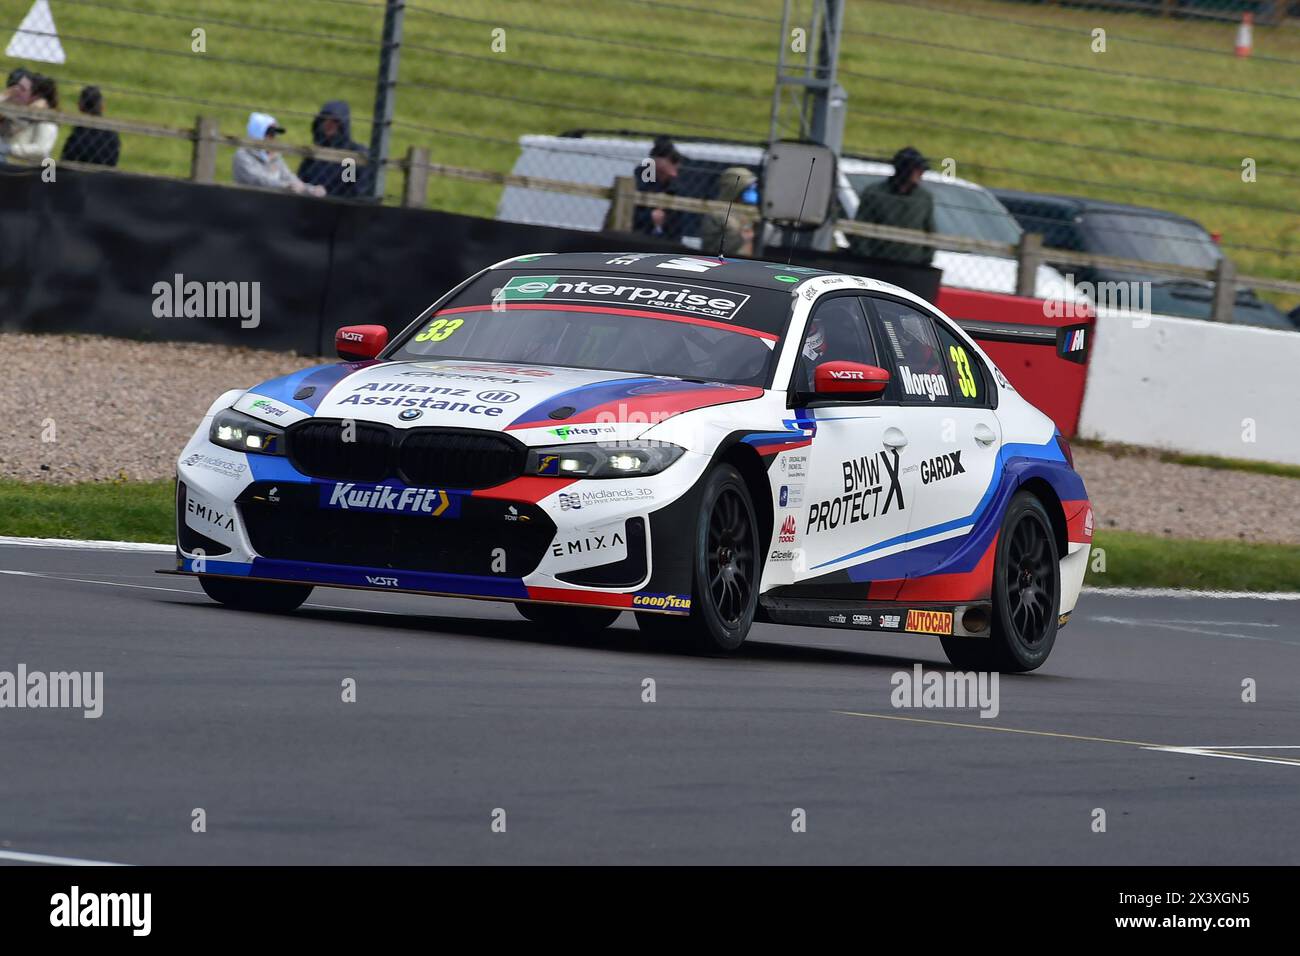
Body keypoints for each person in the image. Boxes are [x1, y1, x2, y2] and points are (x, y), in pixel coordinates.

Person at [850, 146, 935, 266]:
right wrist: (866, 260)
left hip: (911, 267)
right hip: (876, 264)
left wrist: (924, 262)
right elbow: (860, 230)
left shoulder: (924, 198)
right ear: (904, 169)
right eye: (917, 169)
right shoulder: (875, 193)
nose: (921, 173)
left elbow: (930, 233)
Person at [232, 112, 325, 196]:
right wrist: (286, 186)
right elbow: (259, 180)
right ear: (257, 133)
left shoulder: (274, 156)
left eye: (275, 134)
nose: (273, 137)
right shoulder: (242, 156)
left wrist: (310, 189)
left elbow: (288, 177)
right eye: (270, 133)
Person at [297, 100, 370, 198]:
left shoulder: (350, 155)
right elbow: (302, 178)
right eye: (325, 119)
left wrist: (326, 192)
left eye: (335, 121)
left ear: (343, 124)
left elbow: (348, 189)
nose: (329, 124)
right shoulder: (314, 153)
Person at [699, 166, 758, 257]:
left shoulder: (750, 213)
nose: (752, 193)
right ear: (735, 189)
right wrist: (740, 237)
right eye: (747, 189)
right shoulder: (716, 215)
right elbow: (711, 249)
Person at [632, 135, 683, 240]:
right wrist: (651, 217)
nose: (676, 166)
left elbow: (678, 222)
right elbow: (634, 215)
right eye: (672, 161)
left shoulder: (675, 186)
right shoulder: (642, 181)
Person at [0, 72, 59, 162]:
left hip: (28, 170)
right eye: (17, 86)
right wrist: (3, 96)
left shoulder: (45, 118)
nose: (15, 90)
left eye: (22, 89)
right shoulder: (16, 109)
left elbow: (41, 150)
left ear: (36, 97)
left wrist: (7, 148)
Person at [60, 86, 121, 166]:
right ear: (102, 106)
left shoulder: (78, 134)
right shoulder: (112, 134)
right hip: (105, 177)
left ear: (80, 105)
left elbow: (65, 160)